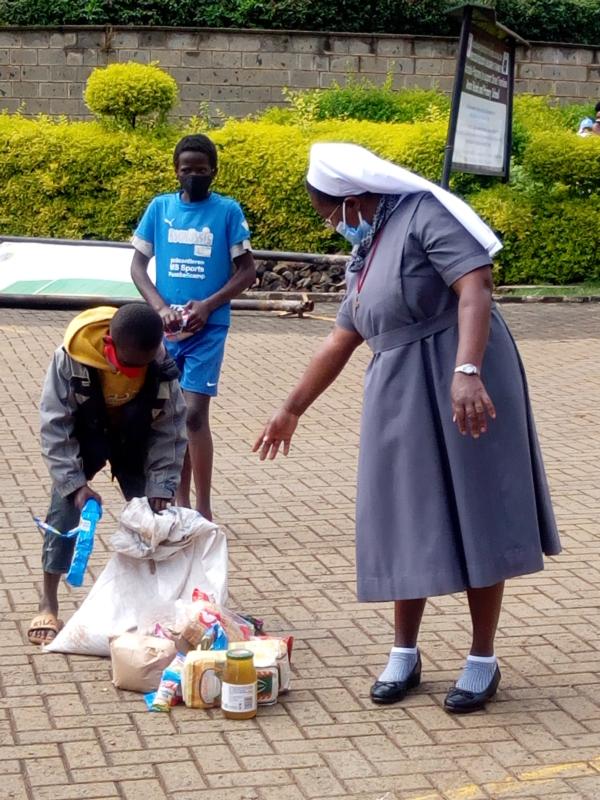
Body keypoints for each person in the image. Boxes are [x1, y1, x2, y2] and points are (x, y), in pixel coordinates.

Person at [254, 143, 561, 714]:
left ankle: (482, 659)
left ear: (355, 197)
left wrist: (467, 369)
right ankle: (404, 652)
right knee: (401, 512)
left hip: (462, 379)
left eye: (330, 214)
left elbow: (476, 286)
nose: (333, 225)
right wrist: (292, 406)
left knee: (478, 509)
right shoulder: (365, 251)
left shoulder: (424, 214)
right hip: (398, 388)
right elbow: (341, 337)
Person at [28, 303, 187, 645]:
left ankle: (161, 603)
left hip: (135, 435)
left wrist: (161, 483)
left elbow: (170, 430)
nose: (133, 374)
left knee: (157, 516)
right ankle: (48, 601)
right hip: (86, 435)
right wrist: (75, 484)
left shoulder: (160, 367)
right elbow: (55, 425)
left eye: (141, 367)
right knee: (65, 509)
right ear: (109, 346)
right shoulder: (71, 357)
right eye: (127, 365)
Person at [131, 133, 256, 521]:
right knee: (170, 414)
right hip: (166, 331)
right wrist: (160, 307)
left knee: (195, 415)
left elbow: (248, 272)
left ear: (213, 172)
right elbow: (137, 267)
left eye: (202, 170)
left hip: (209, 328)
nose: (194, 176)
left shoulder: (228, 212)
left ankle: (203, 508)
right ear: (176, 171)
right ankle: (180, 501)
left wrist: (207, 305)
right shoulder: (160, 208)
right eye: (187, 170)